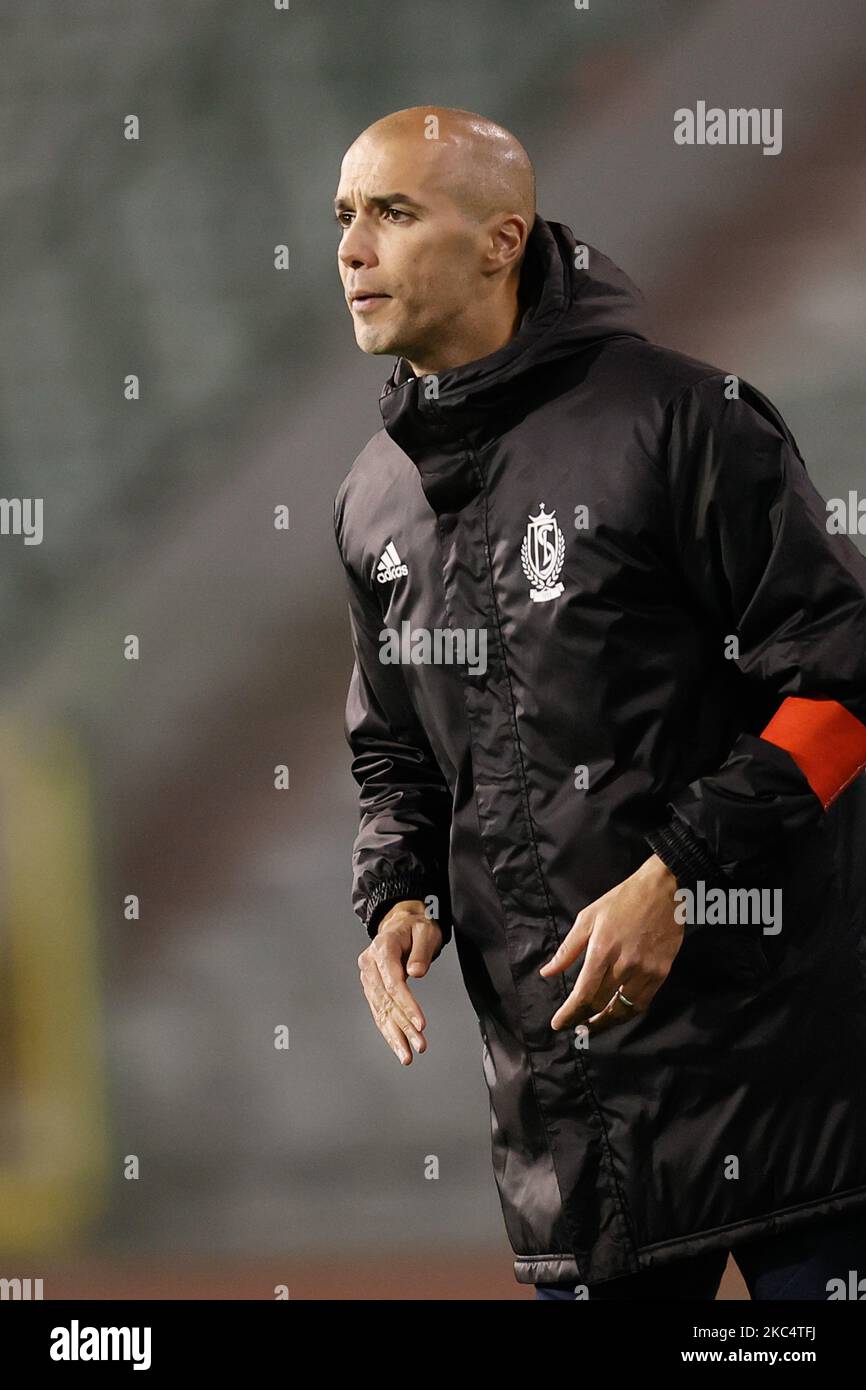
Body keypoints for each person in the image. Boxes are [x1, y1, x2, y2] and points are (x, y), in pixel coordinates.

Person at [331, 105, 866, 1298]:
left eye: (393, 212)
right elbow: (395, 763)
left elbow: (840, 690)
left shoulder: (681, 420)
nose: (351, 247)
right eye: (343, 217)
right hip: (570, 1134)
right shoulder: (372, 502)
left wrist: (674, 877)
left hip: (797, 1104)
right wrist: (398, 891)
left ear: (499, 240)